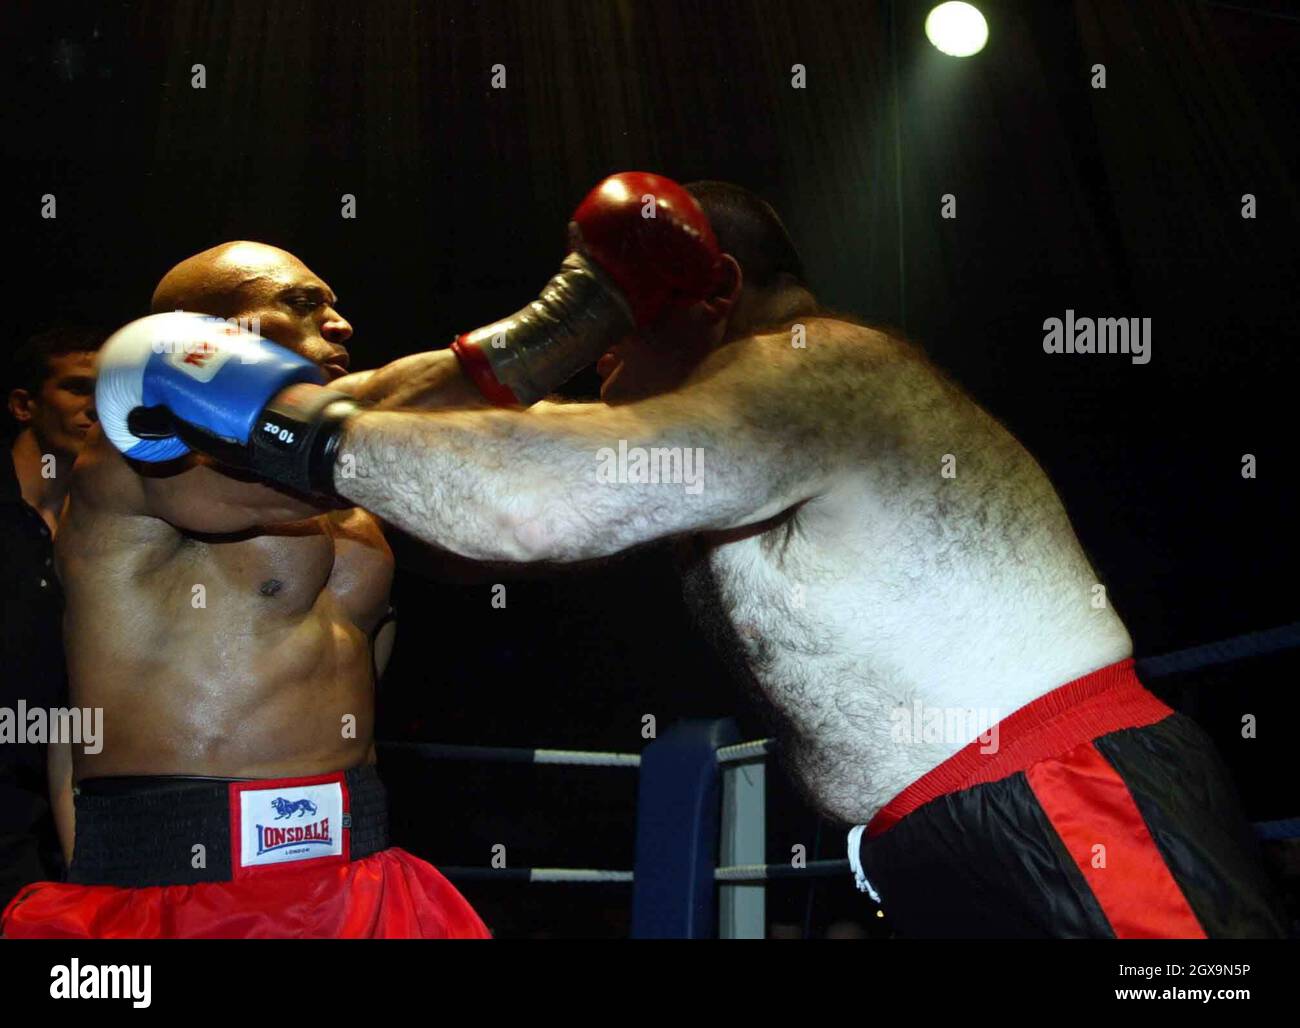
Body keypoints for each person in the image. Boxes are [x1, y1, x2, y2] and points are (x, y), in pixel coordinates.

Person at [68, 173, 1285, 937]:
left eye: (612, 333)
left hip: (1061, 801)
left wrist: (284, 410)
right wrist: (541, 331)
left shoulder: (817, 373)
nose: (594, 374)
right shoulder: (144, 455)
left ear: (705, 300)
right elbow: (446, 446)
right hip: (168, 877)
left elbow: (523, 493)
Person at [0, 243, 488, 939]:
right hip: (181, 884)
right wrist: (549, 327)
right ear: (209, 333)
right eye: (302, 302)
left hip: (362, 874)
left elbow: (513, 534)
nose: (340, 322)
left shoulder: (359, 510)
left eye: (335, 303)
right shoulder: (136, 455)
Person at [1, 326, 102, 909]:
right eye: (76, 388)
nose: (95, 405)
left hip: (64, 791)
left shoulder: (109, 528)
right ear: (24, 405)